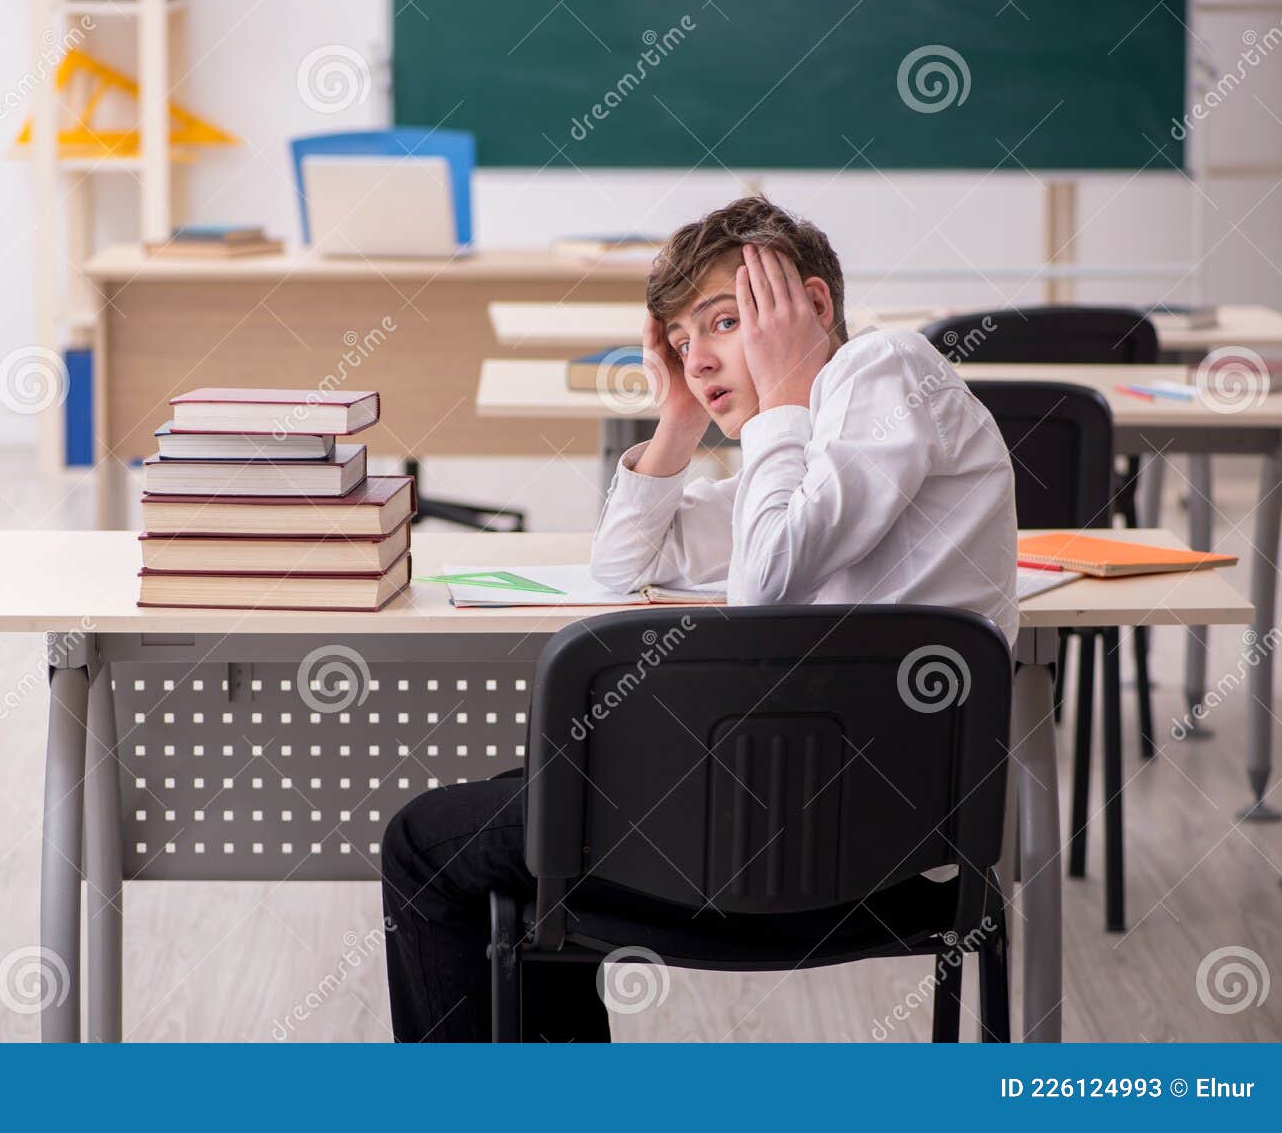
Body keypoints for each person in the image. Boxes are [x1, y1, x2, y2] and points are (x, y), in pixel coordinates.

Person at [380, 195, 1018, 1041]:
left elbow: (763, 590)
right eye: (682, 344)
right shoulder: (794, 450)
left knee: (426, 843)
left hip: (823, 839)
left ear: (814, 308)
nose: (701, 359)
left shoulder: (884, 370)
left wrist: (785, 397)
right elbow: (624, 567)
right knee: (528, 806)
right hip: (842, 829)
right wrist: (679, 418)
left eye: (723, 323)